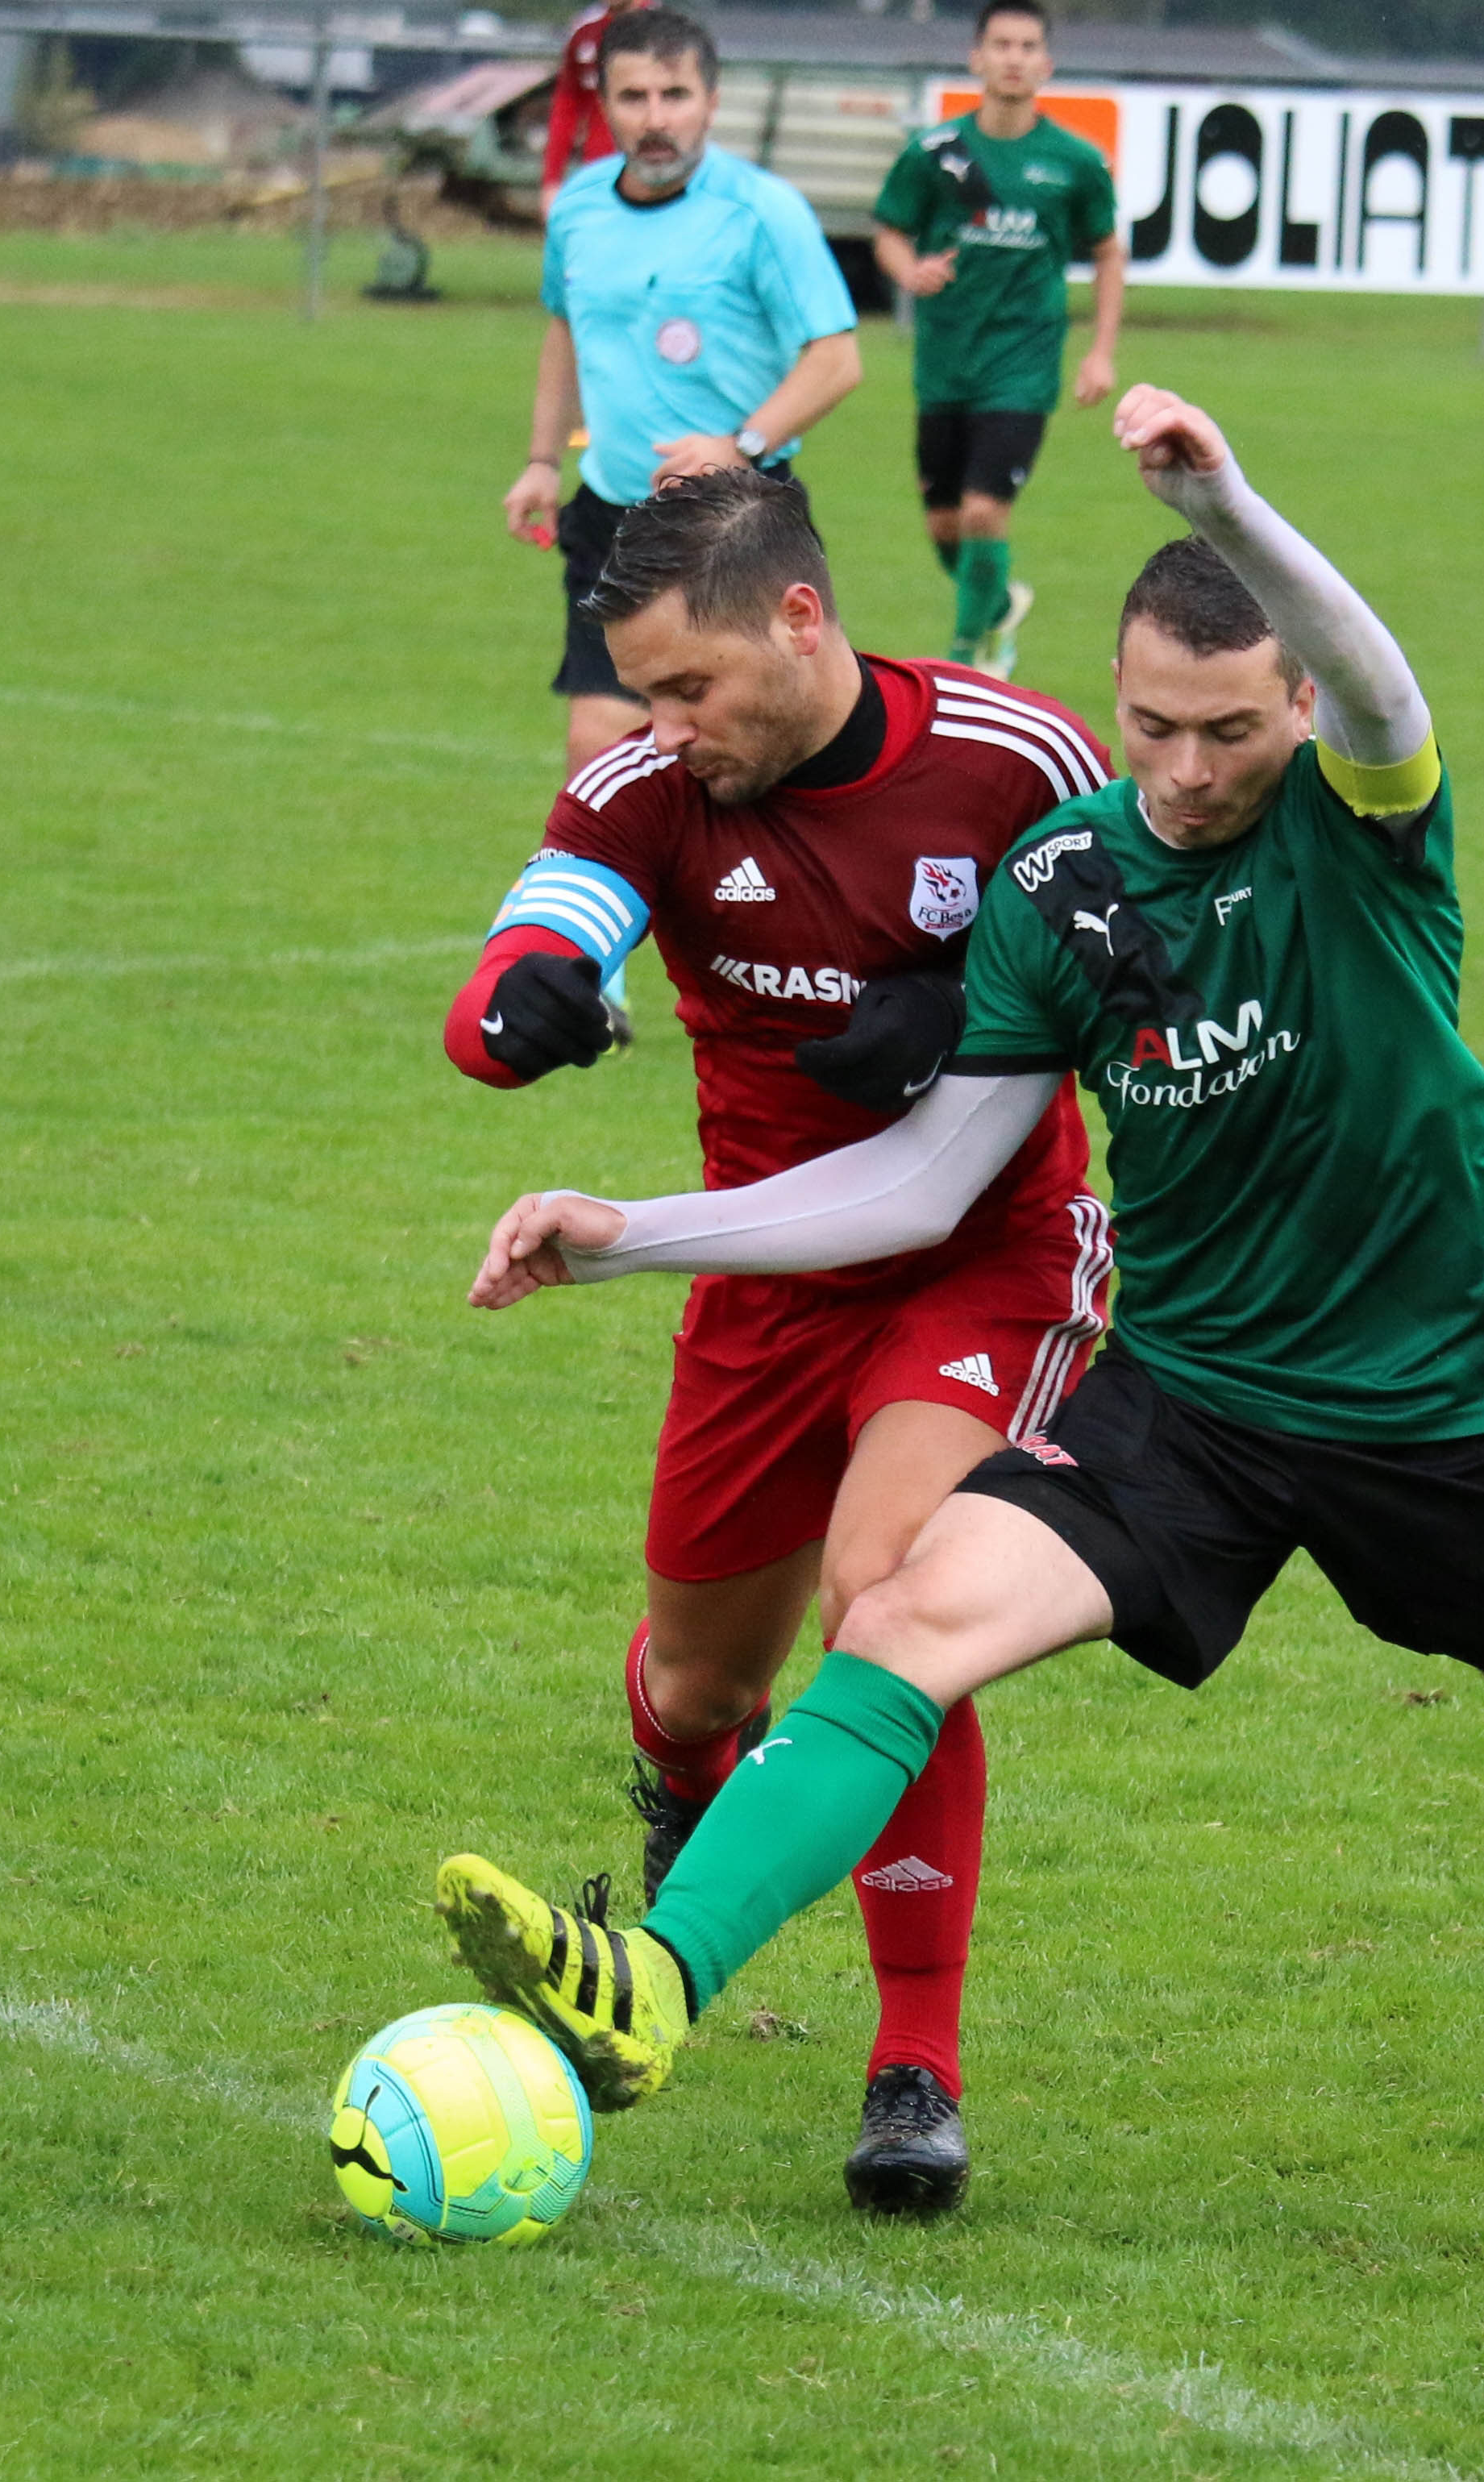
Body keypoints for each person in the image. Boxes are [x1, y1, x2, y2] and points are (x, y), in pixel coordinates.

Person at [435, 388, 1484, 2201]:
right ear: (1114, 699)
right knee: (903, 1618)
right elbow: (927, 1177)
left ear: (1298, 708)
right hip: (1189, 1402)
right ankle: (654, 1984)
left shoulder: (1364, 826)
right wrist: (628, 1229)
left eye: (1230, 728)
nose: (1184, 770)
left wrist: (1226, 504)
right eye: (1153, 725)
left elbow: (1387, 684)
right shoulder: (1062, 881)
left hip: (1432, 1410)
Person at [440, 464, 1116, 2215]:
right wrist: (526, 1000)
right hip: (758, 1273)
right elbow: (530, 945)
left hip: (987, 1262)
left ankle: (915, 2068)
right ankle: (697, 1798)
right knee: (696, 1689)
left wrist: (964, 1005)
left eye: (691, 685)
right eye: (643, 692)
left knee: (889, 1603)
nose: (666, 727)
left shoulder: (1021, 758)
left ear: (799, 619)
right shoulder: (647, 787)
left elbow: (1127, 952)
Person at [508, 8, 864, 777]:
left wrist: (740, 445)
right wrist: (542, 461)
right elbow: (566, 331)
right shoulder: (579, 209)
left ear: (712, 101)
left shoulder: (761, 211)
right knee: (599, 745)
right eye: (633, 97)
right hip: (614, 516)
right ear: (605, 104)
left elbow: (837, 359)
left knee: (756, 746)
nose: (655, 119)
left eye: (675, 95)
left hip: (739, 518)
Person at [870, 0, 1123, 679]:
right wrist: (909, 270)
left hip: (1023, 366)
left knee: (985, 512)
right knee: (946, 527)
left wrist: (1101, 352)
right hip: (945, 362)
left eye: (1028, 46)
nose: (1014, 58)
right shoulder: (935, 154)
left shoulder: (1074, 162)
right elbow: (890, 232)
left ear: (1047, 63)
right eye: (1002, 45)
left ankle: (966, 661)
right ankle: (1001, 603)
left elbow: (1107, 251)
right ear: (976, 58)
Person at [534, 0, 651, 209]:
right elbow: (566, 108)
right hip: (599, 175)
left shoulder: (666, 29)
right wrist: (552, 181)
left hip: (653, 172)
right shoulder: (586, 33)